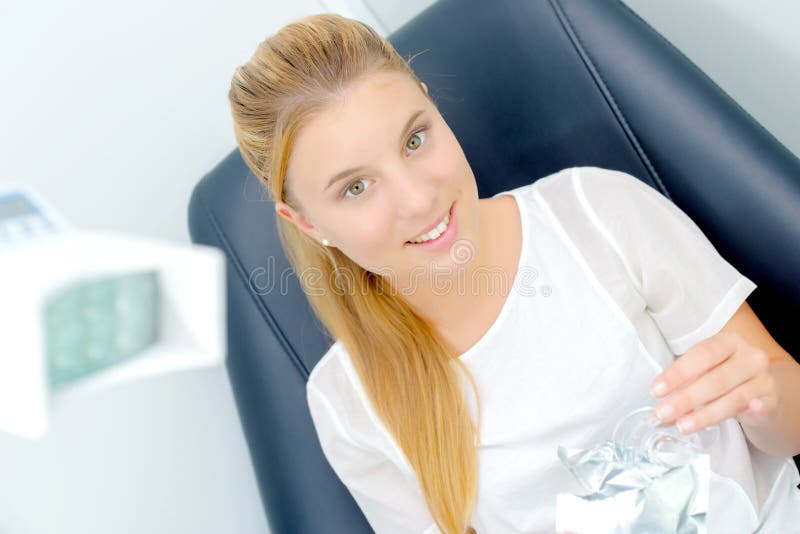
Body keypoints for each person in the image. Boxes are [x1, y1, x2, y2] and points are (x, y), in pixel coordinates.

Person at [227, 13, 800, 534]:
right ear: (305, 223)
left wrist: (767, 396)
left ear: (433, 107)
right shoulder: (348, 405)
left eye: (415, 138)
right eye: (356, 187)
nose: (418, 197)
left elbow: (790, 425)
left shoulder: (600, 217)